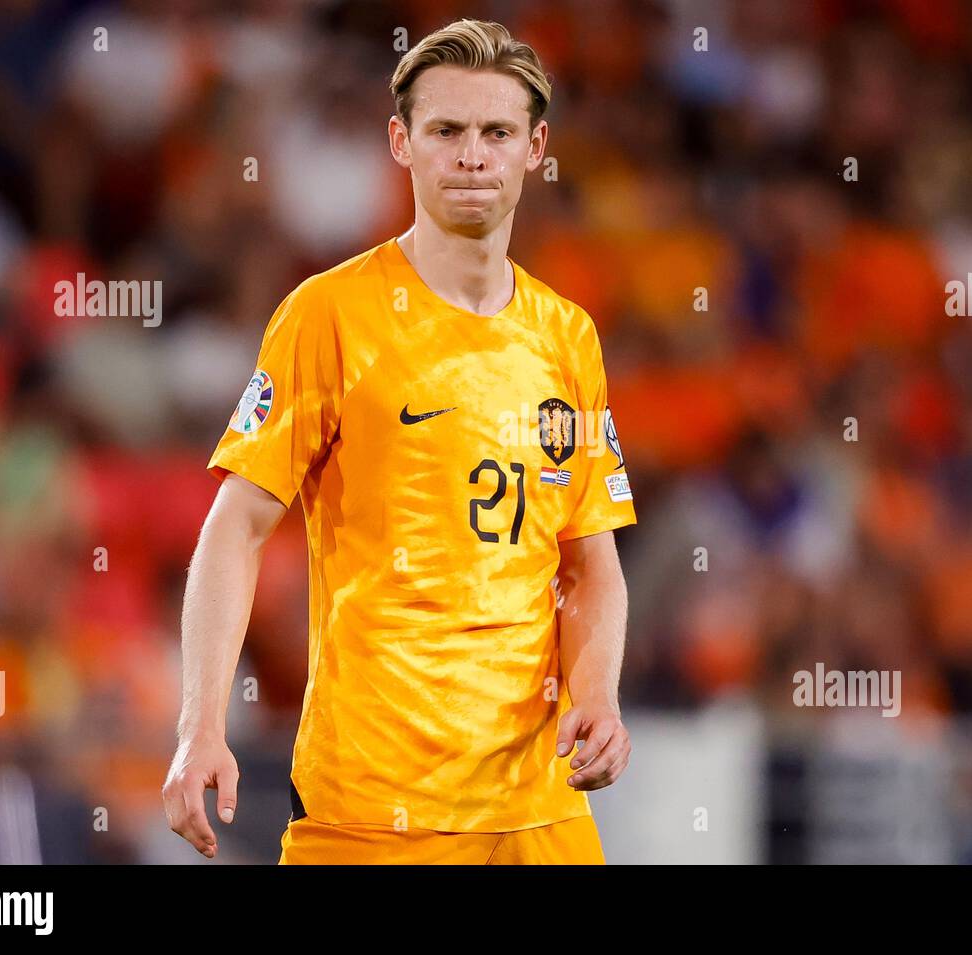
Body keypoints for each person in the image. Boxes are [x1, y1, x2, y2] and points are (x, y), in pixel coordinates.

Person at [161, 18, 637, 864]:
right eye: (446, 130)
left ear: (536, 148)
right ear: (401, 142)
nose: (472, 154)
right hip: (374, 809)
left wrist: (596, 694)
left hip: (541, 810)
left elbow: (588, 559)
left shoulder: (569, 338)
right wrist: (200, 727)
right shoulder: (330, 315)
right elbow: (235, 525)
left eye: (496, 132)